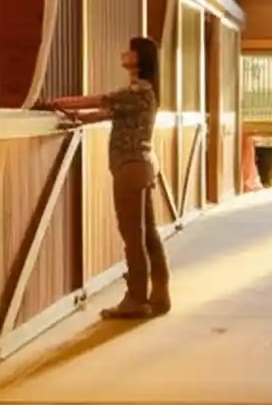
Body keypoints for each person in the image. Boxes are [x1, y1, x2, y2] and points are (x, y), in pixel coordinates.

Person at [35, 36, 170, 319]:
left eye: (130, 50)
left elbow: (97, 100)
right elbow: (105, 113)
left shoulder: (135, 93)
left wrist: (52, 103)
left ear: (139, 59)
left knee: (132, 236)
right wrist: (77, 118)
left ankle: (136, 299)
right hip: (143, 165)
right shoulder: (144, 92)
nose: (124, 52)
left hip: (129, 168)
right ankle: (159, 295)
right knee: (148, 234)